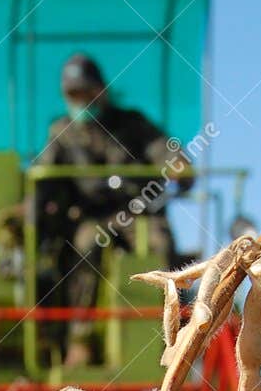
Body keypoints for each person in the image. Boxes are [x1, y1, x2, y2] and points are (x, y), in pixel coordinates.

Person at [36, 53, 193, 366]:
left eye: (87, 92)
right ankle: (81, 340)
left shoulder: (132, 123)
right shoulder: (61, 133)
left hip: (138, 214)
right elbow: (42, 177)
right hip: (92, 219)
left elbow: (164, 150)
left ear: (102, 90)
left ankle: (173, 334)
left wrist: (178, 165)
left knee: (161, 244)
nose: (81, 101)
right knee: (85, 246)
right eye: (73, 95)